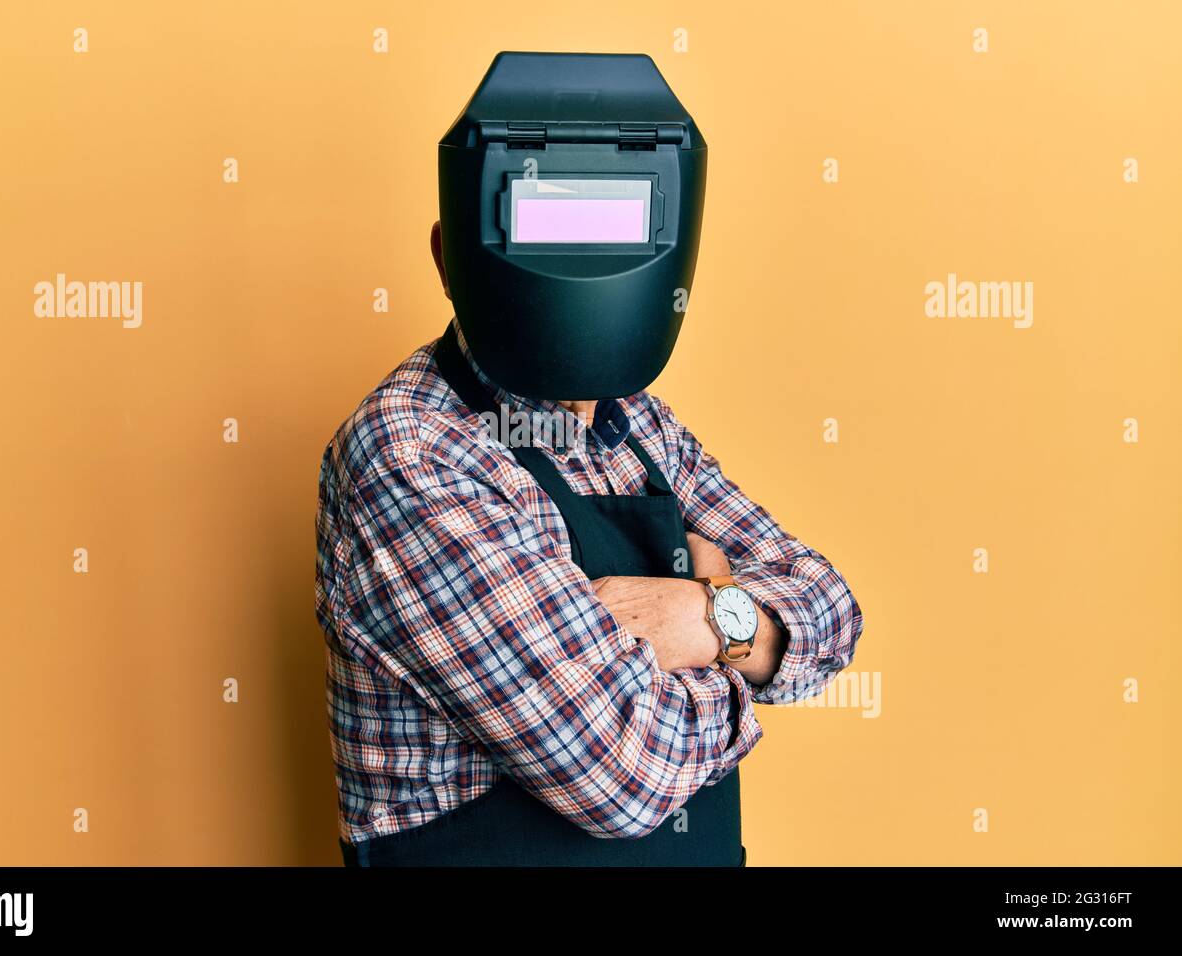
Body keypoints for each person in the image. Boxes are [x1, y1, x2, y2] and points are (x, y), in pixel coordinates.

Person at [315, 52, 863, 867]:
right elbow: (624, 773)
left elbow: (833, 614)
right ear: (448, 254)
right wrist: (741, 641)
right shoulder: (411, 454)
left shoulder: (641, 426)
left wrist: (708, 619)